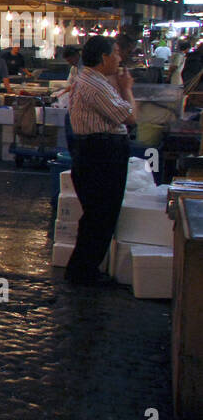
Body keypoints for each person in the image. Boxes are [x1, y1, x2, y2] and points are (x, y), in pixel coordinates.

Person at [65, 35, 137, 287]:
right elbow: (128, 117)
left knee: (98, 214)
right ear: (104, 57)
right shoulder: (93, 84)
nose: (119, 58)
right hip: (101, 154)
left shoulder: (97, 81)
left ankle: (84, 270)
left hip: (99, 152)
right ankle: (81, 273)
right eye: (116, 53)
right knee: (100, 214)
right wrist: (126, 88)